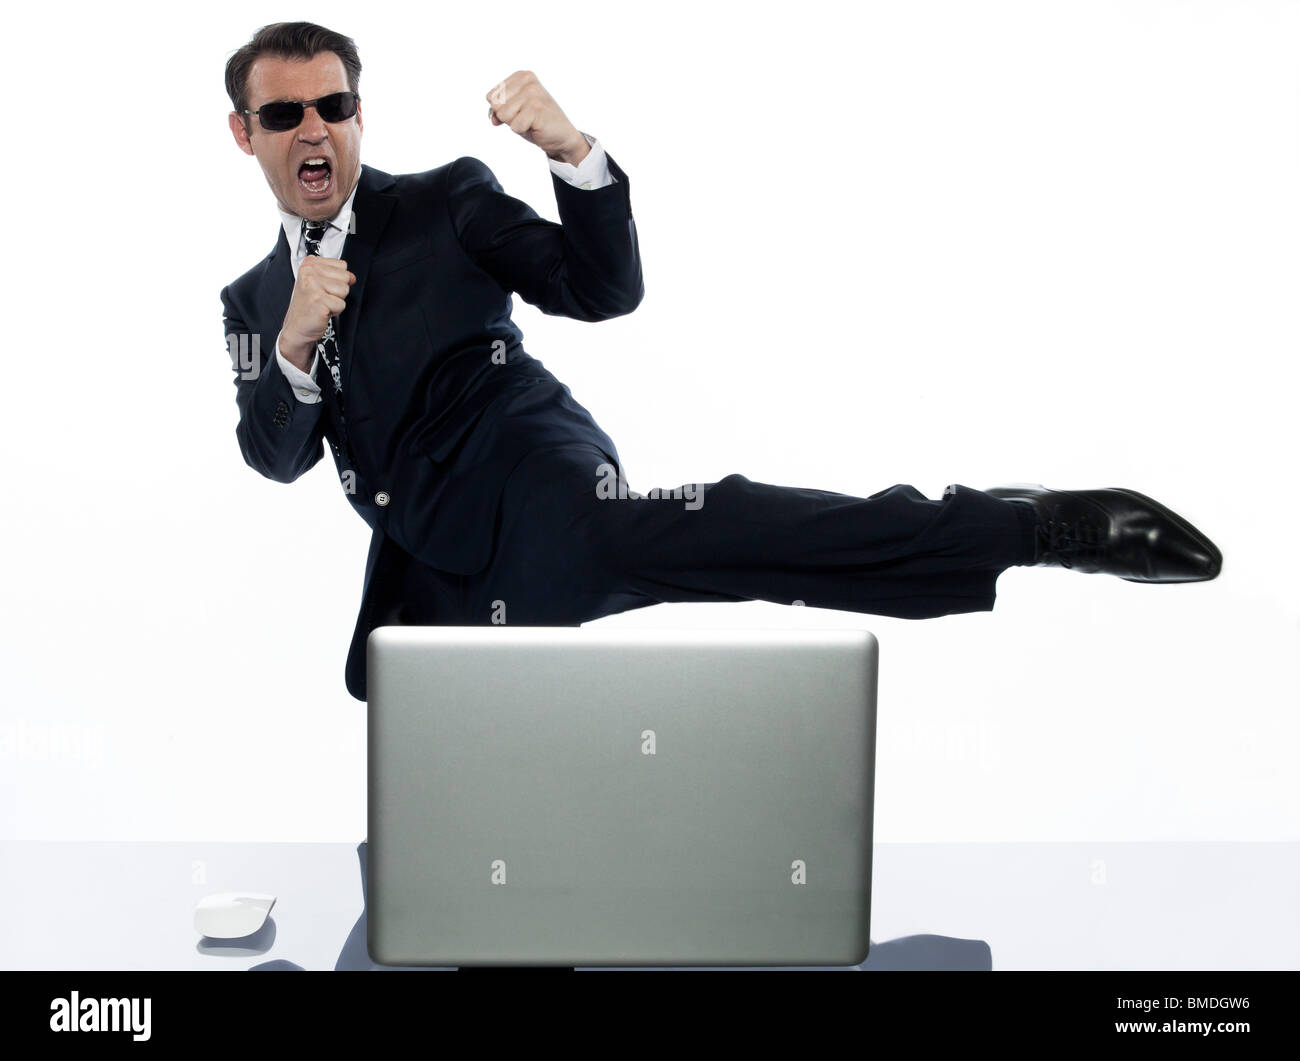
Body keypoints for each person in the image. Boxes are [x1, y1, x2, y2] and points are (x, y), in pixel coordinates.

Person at [221, 22, 1221, 703]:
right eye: (285, 114)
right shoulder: (254, 303)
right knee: (457, 780)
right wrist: (297, 347)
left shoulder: (445, 199)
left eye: (334, 105)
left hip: (530, 482)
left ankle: (1032, 524)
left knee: (727, 531)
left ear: (357, 115)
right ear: (245, 133)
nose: (314, 128)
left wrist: (572, 154)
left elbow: (599, 290)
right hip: (430, 574)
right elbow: (273, 456)